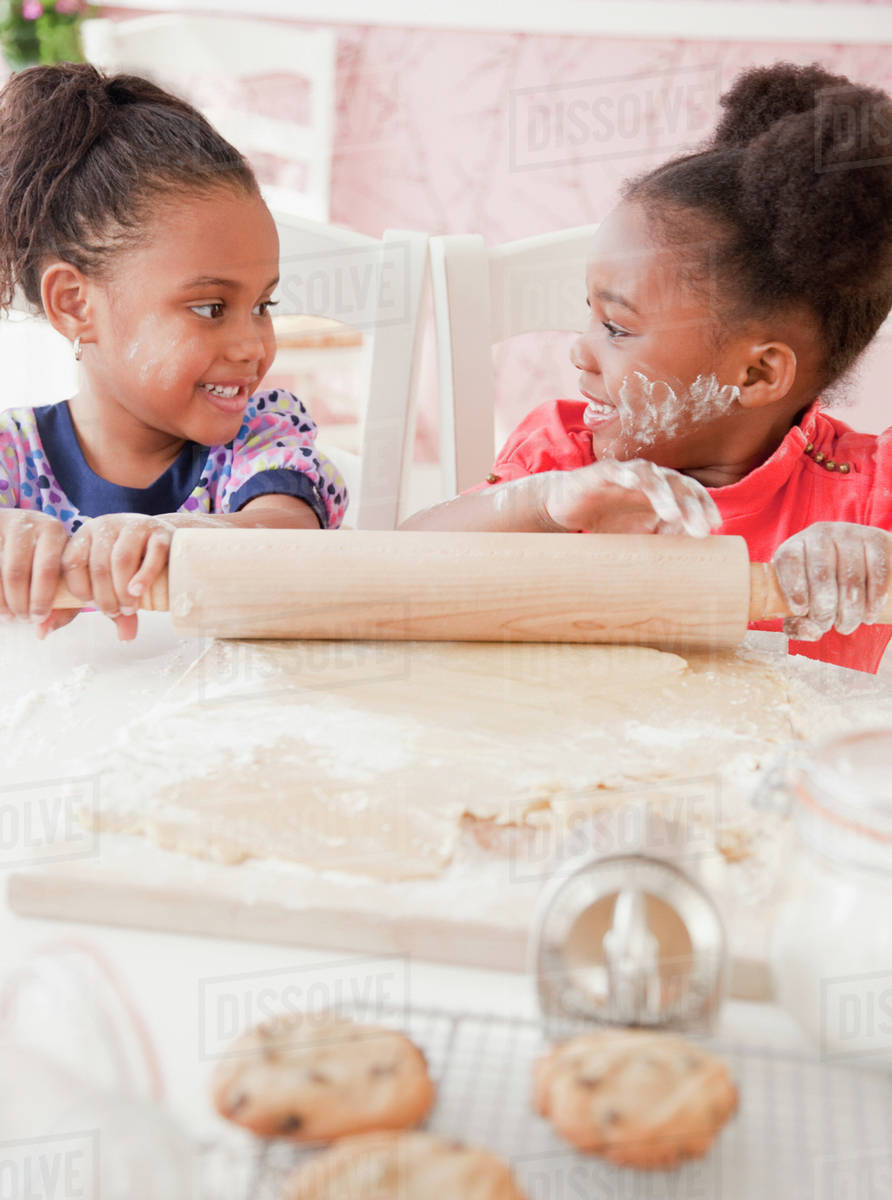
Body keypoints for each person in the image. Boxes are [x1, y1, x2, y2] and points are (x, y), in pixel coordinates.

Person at [404, 62, 892, 673]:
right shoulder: (568, 460)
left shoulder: (866, 492)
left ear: (758, 375)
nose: (579, 351)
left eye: (616, 328)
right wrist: (543, 506)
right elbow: (400, 565)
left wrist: (876, 560)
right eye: (591, 316)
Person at [0, 63, 347, 641]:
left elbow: (284, 532)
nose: (252, 345)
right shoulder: (12, 457)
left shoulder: (261, 438)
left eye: (263, 305)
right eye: (211, 308)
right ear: (75, 304)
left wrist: (177, 537)